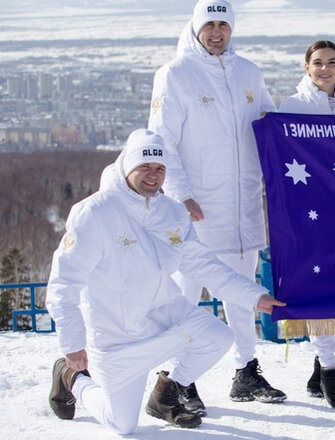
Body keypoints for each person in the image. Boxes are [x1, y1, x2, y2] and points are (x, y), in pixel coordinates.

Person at [45, 129, 285, 434]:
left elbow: (205, 265)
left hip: (162, 314)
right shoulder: (95, 213)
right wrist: (73, 344)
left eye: (160, 169)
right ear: (126, 166)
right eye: (144, 167)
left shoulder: (172, 212)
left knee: (217, 336)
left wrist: (253, 297)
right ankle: (71, 379)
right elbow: (63, 283)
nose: (153, 175)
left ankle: (165, 394)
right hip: (115, 331)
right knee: (122, 425)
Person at [147, 0, 283, 410]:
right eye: (209, 26)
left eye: (223, 27)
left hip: (242, 206)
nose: (217, 33)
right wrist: (180, 193)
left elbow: (270, 126)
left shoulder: (248, 72)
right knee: (186, 296)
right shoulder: (176, 75)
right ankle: (174, 379)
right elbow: (162, 139)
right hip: (197, 208)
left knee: (242, 293)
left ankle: (245, 371)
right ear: (196, 29)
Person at [278, 40, 335, 410]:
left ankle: (320, 359)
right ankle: (331, 368)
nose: (325, 69)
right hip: (309, 212)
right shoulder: (291, 107)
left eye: (332, 62)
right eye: (318, 63)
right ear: (306, 67)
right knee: (320, 286)